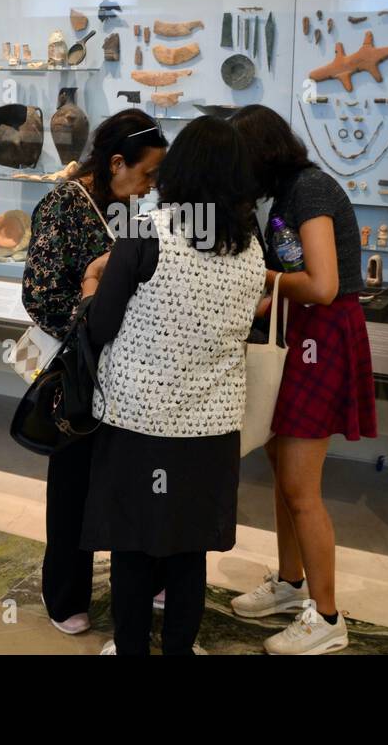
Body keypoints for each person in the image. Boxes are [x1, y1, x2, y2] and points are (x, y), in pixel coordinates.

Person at [78, 116, 266, 655]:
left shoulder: (146, 234)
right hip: (212, 427)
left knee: (133, 549)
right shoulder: (250, 247)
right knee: (190, 551)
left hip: (140, 423)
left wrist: (92, 281)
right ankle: (180, 649)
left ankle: (133, 649)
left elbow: (99, 326)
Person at [229, 104, 377, 655]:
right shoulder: (286, 193)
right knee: (280, 467)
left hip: (324, 335)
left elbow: (321, 284)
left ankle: (329, 617)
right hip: (300, 335)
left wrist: (260, 276)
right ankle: (292, 585)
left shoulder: (310, 190)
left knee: (300, 486)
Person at [21, 109, 167, 635]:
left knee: (132, 477)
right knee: (74, 482)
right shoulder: (63, 204)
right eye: (146, 174)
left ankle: (147, 575)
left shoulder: (125, 202)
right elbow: (38, 296)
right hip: (82, 366)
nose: (150, 186)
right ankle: (64, 592)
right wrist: (93, 322)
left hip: (129, 367)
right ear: (117, 162)